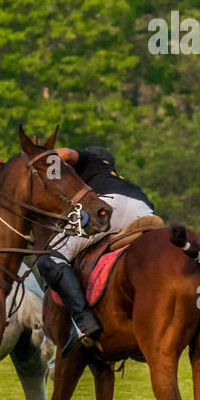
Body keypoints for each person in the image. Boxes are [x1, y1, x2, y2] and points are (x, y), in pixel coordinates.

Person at [35, 145, 156, 355]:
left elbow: (65, 154)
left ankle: (83, 322)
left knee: (50, 259)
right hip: (144, 208)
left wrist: (38, 162)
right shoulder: (119, 177)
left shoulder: (90, 160)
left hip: (109, 205)